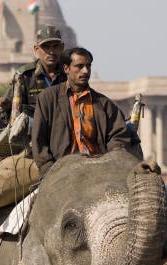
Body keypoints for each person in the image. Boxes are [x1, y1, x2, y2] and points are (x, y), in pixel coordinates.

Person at [31, 47, 131, 176]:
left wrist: (113, 159)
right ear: (66, 69)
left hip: (97, 169)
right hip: (61, 171)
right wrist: (49, 170)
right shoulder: (48, 98)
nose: (85, 71)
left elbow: (118, 135)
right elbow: (39, 139)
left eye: (88, 66)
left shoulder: (103, 103)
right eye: (79, 66)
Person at [0, 25, 67, 120]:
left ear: (61, 47)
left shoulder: (70, 73)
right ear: (36, 49)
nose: (51, 52)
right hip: (34, 127)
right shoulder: (24, 76)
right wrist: (5, 105)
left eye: (55, 46)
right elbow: (12, 107)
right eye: (46, 47)